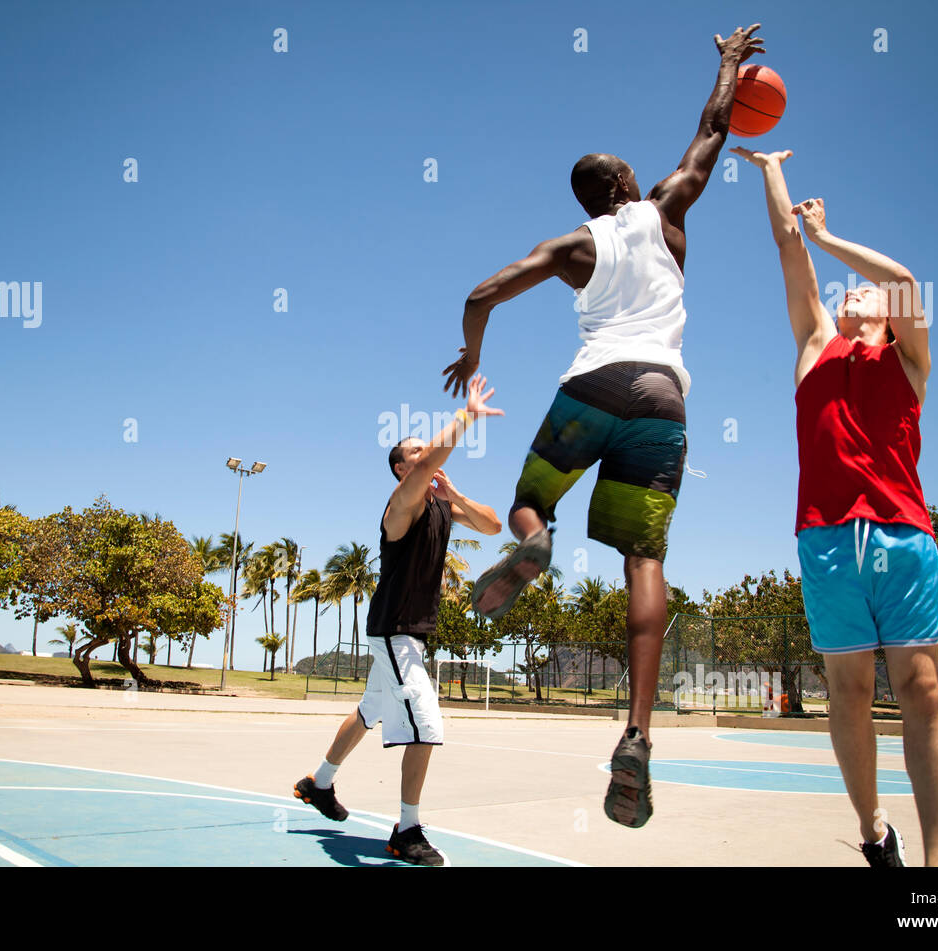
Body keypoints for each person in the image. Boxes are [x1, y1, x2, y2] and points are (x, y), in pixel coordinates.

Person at [440, 25, 766, 828]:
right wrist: (726, 63)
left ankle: (535, 541)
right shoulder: (665, 207)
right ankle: (638, 736)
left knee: (530, 496)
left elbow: (481, 294)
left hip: (591, 384)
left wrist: (468, 350)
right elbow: (713, 131)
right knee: (643, 556)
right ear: (625, 180)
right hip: (662, 396)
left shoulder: (569, 246)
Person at [732, 145, 938, 867]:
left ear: (889, 319)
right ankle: (872, 830)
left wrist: (833, 238)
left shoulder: (908, 360)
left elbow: (899, 280)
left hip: (902, 534)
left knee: (921, 686)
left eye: (861, 296)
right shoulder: (814, 347)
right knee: (849, 691)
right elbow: (786, 247)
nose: (847, 292)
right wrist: (771, 170)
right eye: (843, 289)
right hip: (826, 538)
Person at [293, 375, 503, 865]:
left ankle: (318, 784)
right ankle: (406, 830)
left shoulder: (441, 505)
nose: (425, 452)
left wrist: (455, 495)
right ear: (399, 468)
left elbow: (492, 524)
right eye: (415, 451)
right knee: (426, 725)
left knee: (370, 712)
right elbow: (431, 460)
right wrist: (467, 414)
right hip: (396, 631)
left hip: (410, 635)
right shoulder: (401, 505)